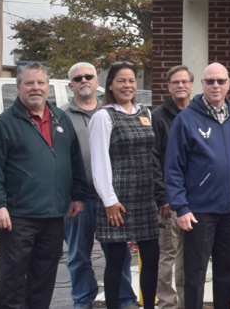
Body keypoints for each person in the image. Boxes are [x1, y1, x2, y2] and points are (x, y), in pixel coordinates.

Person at [0, 62, 88, 309]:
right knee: (13, 280)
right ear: (18, 88)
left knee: (43, 279)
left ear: (48, 88)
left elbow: (74, 160)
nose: (35, 88)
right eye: (29, 83)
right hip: (18, 217)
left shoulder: (61, 119)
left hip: (54, 215)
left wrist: (78, 195)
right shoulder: (4, 124)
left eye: (40, 83)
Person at [165, 62, 230, 309]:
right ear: (202, 84)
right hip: (198, 210)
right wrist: (180, 206)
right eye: (210, 81)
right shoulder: (186, 120)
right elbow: (173, 167)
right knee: (195, 272)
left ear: (229, 84)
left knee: (228, 270)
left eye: (221, 81)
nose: (216, 86)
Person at [62, 61, 138, 309]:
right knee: (78, 254)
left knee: (118, 254)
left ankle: (125, 299)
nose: (84, 81)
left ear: (97, 82)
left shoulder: (112, 113)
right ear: (71, 85)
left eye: (89, 77)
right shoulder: (61, 117)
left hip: (112, 198)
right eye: (78, 78)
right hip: (79, 198)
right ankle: (83, 300)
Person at [90, 62, 161, 309]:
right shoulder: (103, 116)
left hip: (144, 198)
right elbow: (99, 162)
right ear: (110, 84)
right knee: (117, 262)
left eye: (131, 80)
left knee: (151, 258)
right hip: (116, 201)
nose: (127, 85)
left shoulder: (146, 113)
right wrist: (109, 201)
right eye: (121, 80)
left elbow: (153, 156)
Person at [153, 65, 194, 309]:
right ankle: (167, 303)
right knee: (168, 253)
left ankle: (188, 303)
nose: (180, 86)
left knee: (188, 256)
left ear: (191, 85)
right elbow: (154, 159)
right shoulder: (158, 116)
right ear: (168, 87)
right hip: (169, 199)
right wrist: (162, 197)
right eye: (175, 82)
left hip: (194, 199)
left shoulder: (198, 113)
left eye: (184, 82)